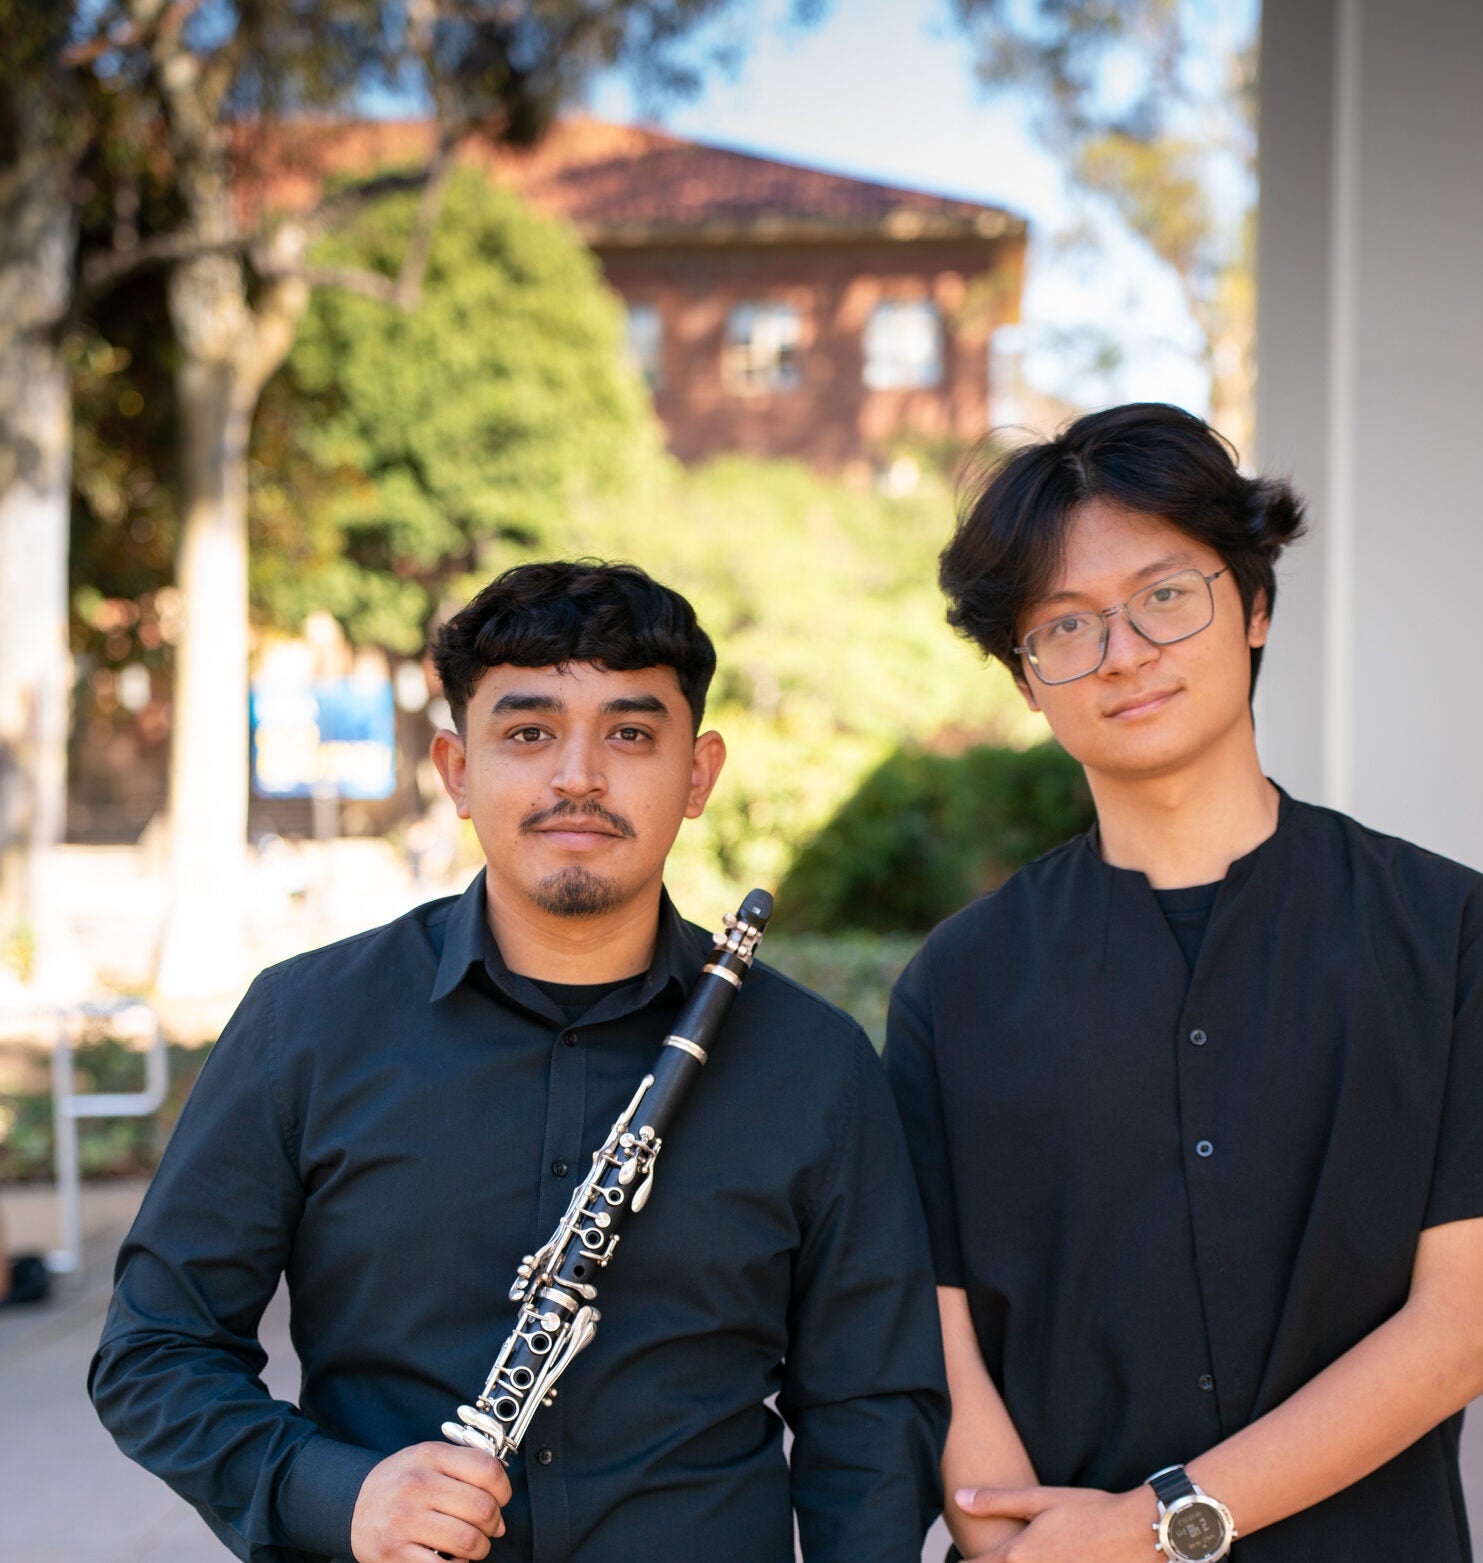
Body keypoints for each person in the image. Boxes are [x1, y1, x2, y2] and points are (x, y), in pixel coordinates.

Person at [92, 561, 948, 1563]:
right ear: (457, 771)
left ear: (698, 775)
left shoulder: (814, 1064)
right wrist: (337, 1494)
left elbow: (871, 1413)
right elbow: (157, 1353)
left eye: (630, 734)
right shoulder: (307, 1024)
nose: (577, 775)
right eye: (528, 732)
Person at [884, 404, 1483, 1563]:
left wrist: (1151, 1527)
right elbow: (938, 1331)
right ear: (1026, 681)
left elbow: (1461, 1333)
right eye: (1063, 627)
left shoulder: (1457, 937)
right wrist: (1011, 1540)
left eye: (1165, 597)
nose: (1121, 654)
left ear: (1256, 605)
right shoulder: (955, 985)